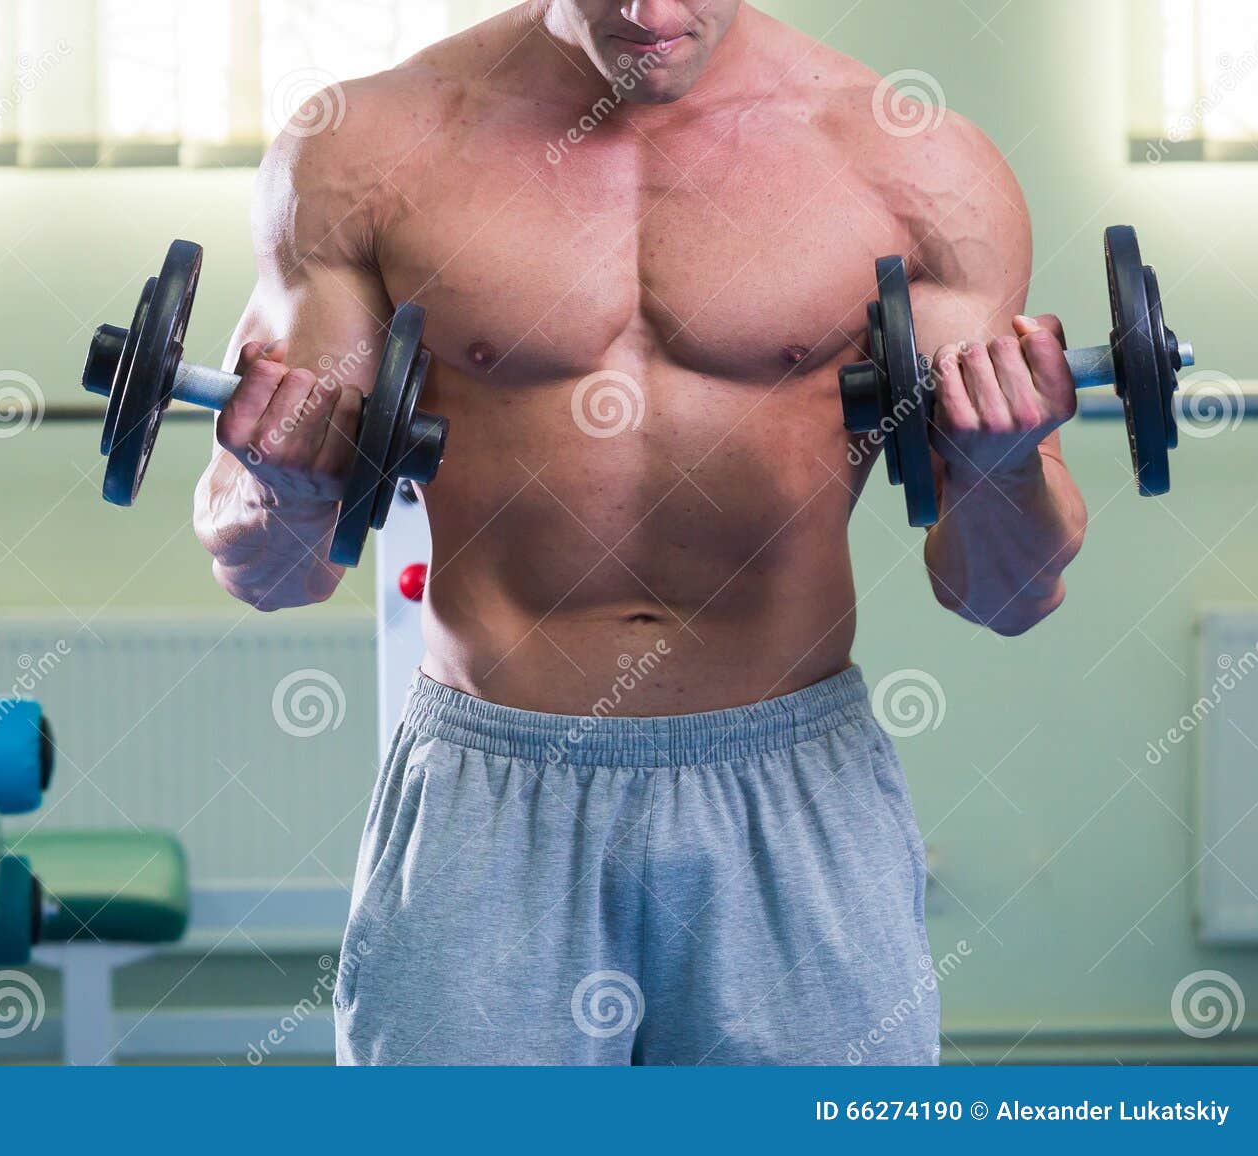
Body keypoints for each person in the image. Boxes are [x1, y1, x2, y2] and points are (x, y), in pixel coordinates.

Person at [193, 0, 1086, 1064]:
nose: (649, 15)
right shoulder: (367, 148)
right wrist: (279, 489)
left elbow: (1005, 595)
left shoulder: (912, 164)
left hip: (787, 784)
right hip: (488, 791)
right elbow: (272, 574)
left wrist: (998, 471)